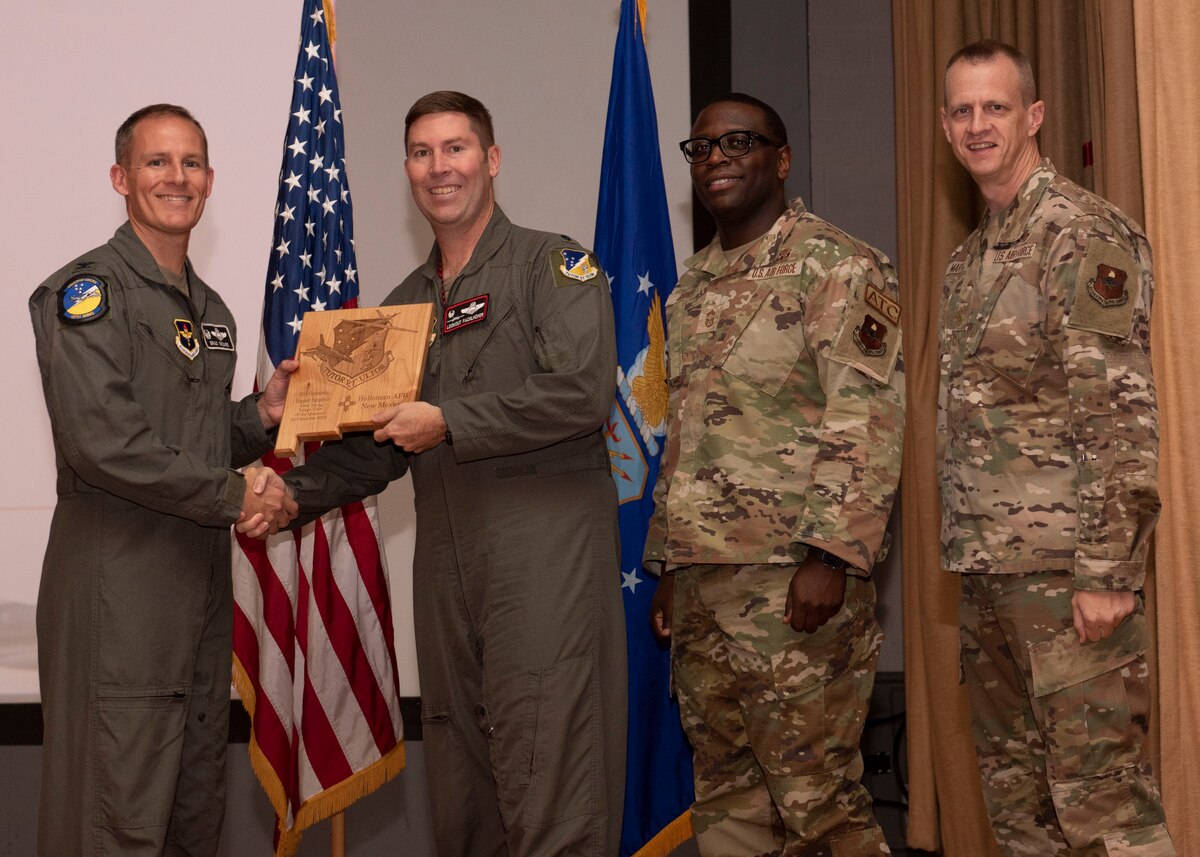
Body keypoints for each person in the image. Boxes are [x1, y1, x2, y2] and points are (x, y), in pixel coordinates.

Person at [241, 90, 626, 857]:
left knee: (553, 784)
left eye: (456, 148)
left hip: (543, 566)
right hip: (448, 574)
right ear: (408, 170)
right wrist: (290, 495)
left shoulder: (552, 265)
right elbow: (376, 448)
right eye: (422, 153)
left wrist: (449, 419)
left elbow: (582, 392)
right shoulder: (403, 310)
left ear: (492, 159)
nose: (439, 167)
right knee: (465, 793)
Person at [28, 103, 296, 857]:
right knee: (111, 817)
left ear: (210, 180)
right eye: (156, 161)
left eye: (191, 163)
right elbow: (104, 443)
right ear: (121, 178)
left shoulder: (213, 313)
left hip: (196, 588)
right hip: (119, 593)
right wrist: (236, 494)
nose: (176, 177)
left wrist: (261, 416)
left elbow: (191, 437)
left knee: (190, 814)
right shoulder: (88, 293)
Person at [646, 93, 905, 856]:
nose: (716, 159)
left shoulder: (839, 265)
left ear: (781, 159)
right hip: (703, 588)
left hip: (793, 587)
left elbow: (866, 416)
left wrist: (831, 554)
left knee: (818, 808)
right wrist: (669, 561)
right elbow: (685, 433)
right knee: (727, 804)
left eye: (739, 142)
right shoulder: (693, 284)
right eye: (701, 148)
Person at [938, 41, 1174, 855]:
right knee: (1023, 819)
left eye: (995, 107)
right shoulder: (968, 259)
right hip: (989, 577)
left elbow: (1119, 414)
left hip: (1068, 581)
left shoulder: (1082, 233)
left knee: (1105, 814)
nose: (978, 125)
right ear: (945, 126)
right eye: (962, 110)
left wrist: (1108, 573)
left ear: (1033, 115)